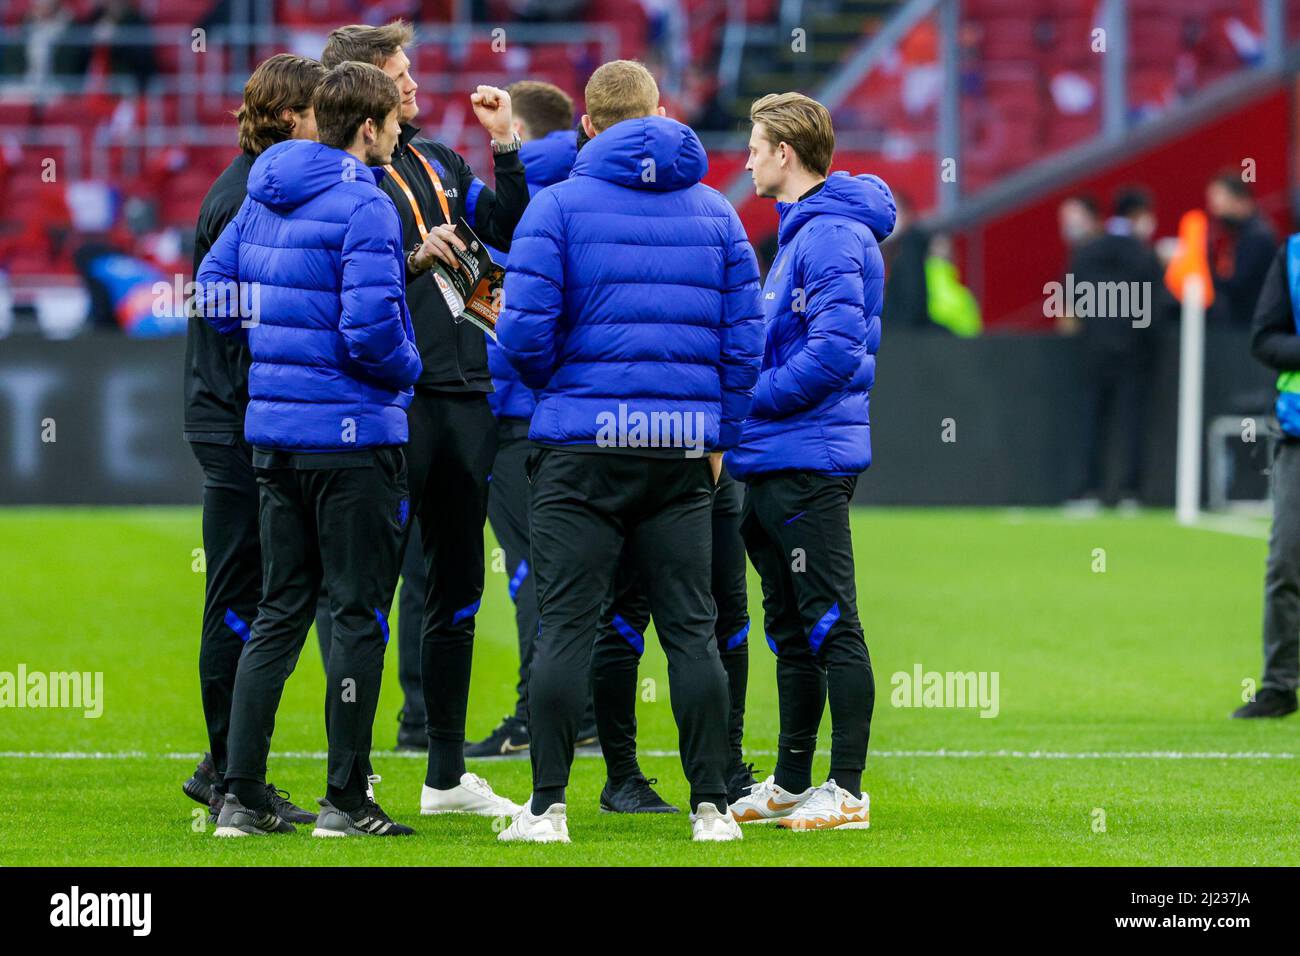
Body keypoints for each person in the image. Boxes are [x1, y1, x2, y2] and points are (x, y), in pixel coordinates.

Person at [495, 59, 764, 844]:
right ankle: (712, 808)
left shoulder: (555, 207)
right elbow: (744, 345)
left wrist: (561, 390)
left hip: (581, 447)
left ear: (587, 124)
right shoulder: (717, 212)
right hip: (680, 451)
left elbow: (522, 337)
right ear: (661, 113)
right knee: (692, 628)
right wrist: (720, 436)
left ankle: (547, 809)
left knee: (565, 627)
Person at [198, 61, 422, 837]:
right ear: (368, 127)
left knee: (278, 613)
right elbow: (370, 332)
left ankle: (239, 796)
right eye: (394, 120)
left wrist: (276, 344)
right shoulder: (367, 203)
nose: (401, 130)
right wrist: (411, 370)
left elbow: (211, 295)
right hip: (353, 439)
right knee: (357, 615)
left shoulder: (263, 193)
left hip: (275, 441)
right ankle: (346, 801)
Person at [320, 21, 530, 817]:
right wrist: (416, 258)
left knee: (458, 585)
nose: (413, 85)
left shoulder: (438, 159)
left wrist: (505, 145)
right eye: (399, 74)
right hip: (394, 402)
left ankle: (444, 775)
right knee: (366, 594)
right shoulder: (344, 179)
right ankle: (351, 778)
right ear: (368, 88)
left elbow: (504, 227)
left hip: (466, 395)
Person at [725, 91, 894, 831]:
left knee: (831, 623)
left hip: (807, 459)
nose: (748, 161)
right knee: (792, 629)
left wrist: (747, 403)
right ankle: (794, 781)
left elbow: (832, 355)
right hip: (775, 459)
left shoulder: (827, 236)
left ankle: (848, 789)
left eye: (756, 147)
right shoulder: (803, 232)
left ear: (785, 154)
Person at [180, 52, 325, 828]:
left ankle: (226, 764)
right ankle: (230, 777)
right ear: (288, 117)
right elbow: (231, 318)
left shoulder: (253, 188)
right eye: (317, 112)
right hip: (237, 418)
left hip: (242, 413)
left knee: (264, 591)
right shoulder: (246, 197)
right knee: (242, 594)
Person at [464, 79, 600, 758]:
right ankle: (589, 713)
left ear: (516, 126)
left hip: (519, 421)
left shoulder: (516, 206)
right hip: (586, 417)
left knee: (529, 574)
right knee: (577, 574)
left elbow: (504, 320)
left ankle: (536, 716)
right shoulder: (589, 190)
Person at [590, 462, 755, 812]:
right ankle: (621, 777)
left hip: (709, 466)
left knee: (731, 619)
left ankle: (729, 767)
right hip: (630, 460)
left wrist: (717, 454)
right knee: (624, 618)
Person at [1063, 186, 1168, 511]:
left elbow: (1072, 300)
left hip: (1093, 347)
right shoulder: (1144, 255)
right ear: (1137, 214)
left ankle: (1087, 490)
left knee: (1090, 420)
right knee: (1132, 421)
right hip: (1133, 350)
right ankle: (1129, 492)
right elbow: (1154, 308)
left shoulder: (1088, 251)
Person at [1235, 233, 1300, 719]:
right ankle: (1279, 685)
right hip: (1298, 435)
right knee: (1286, 562)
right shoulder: (1293, 254)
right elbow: (1264, 338)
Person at [1206, 171, 1277, 329]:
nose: (1213, 206)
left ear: (1240, 199)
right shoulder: (1239, 233)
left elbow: (1237, 285)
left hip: (1247, 325)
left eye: (1219, 197)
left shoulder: (1257, 237)